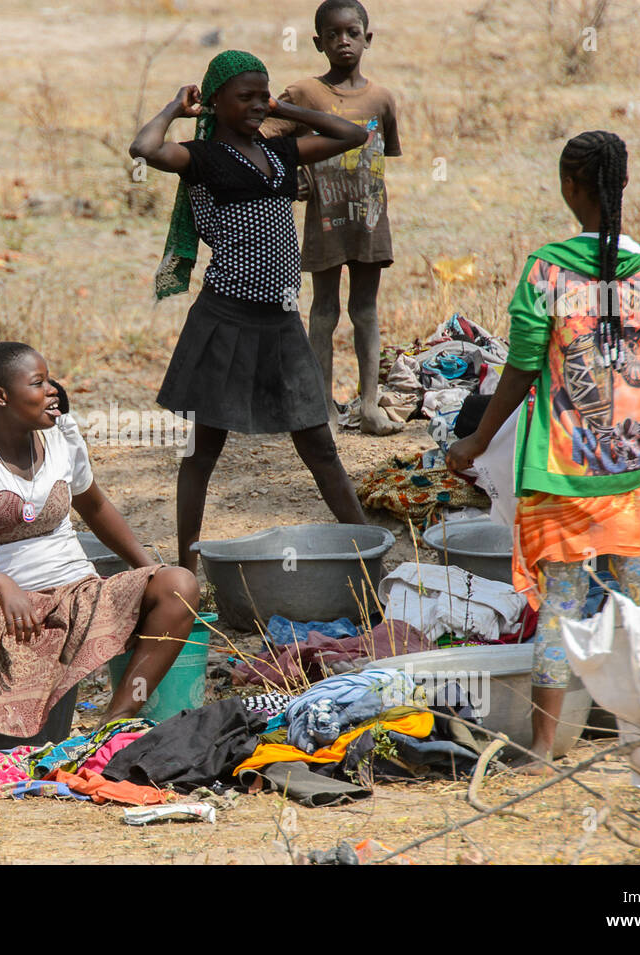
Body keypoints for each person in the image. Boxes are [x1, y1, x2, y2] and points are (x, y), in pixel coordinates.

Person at [446, 131, 640, 770]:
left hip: (561, 472)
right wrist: (636, 385)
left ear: (570, 187)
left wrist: (475, 441)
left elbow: (523, 369)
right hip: (634, 469)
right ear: (624, 184)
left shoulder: (547, 271)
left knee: (560, 609)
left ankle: (540, 747)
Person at [0, 342, 200, 757]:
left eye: (49, 380)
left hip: (77, 598)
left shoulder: (63, 440)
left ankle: (114, 724)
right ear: (0, 396)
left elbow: (96, 506)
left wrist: (148, 571)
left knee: (179, 584)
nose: (53, 390)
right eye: (38, 382)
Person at [130, 49, 371, 574]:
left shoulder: (281, 152)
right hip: (227, 322)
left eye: (263, 94)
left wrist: (291, 108)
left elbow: (356, 136)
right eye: (247, 97)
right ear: (216, 100)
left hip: (282, 323)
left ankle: (365, 555)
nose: (259, 104)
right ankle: (185, 573)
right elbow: (143, 148)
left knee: (320, 445)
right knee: (202, 453)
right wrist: (175, 106)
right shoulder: (201, 158)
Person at [260, 0, 403, 436]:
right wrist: (292, 177)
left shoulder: (381, 98)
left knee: (365, 310)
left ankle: (369, 406)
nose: (344, 41)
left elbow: (383, 155)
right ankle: (322, 407)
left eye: (353, 33)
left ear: (368, 39)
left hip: (369, 222)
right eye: (334, 34)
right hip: (325, 221)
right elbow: (261, 138)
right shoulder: (304, 95)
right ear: (319, 42)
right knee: (323, 311)